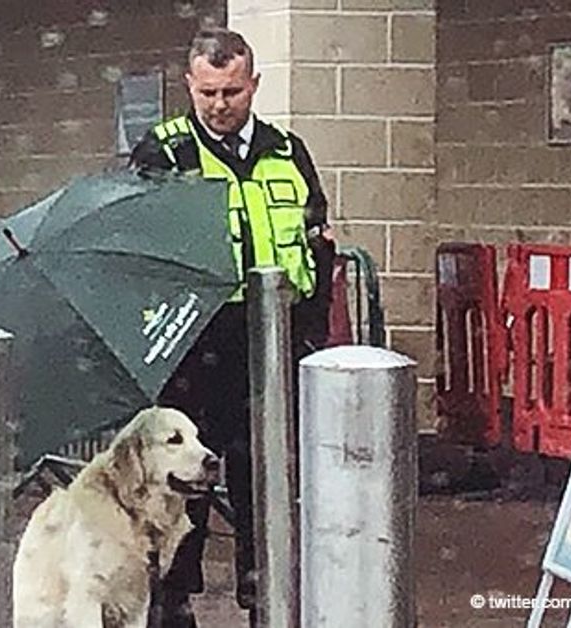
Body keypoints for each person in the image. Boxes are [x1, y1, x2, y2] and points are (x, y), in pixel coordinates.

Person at [129, 27, 336, 627]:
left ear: (254, 85)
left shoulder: (287, 150)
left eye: (233, 92)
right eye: (208, 93)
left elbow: (317, 242)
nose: (220, 105)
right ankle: (172, 603)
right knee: (181, 484)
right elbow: (142, 251)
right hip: (193, 345)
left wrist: (310, 332)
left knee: (265, 485)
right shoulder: (163, 152)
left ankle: (265, 598)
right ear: (189, 85)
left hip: (271, 342)